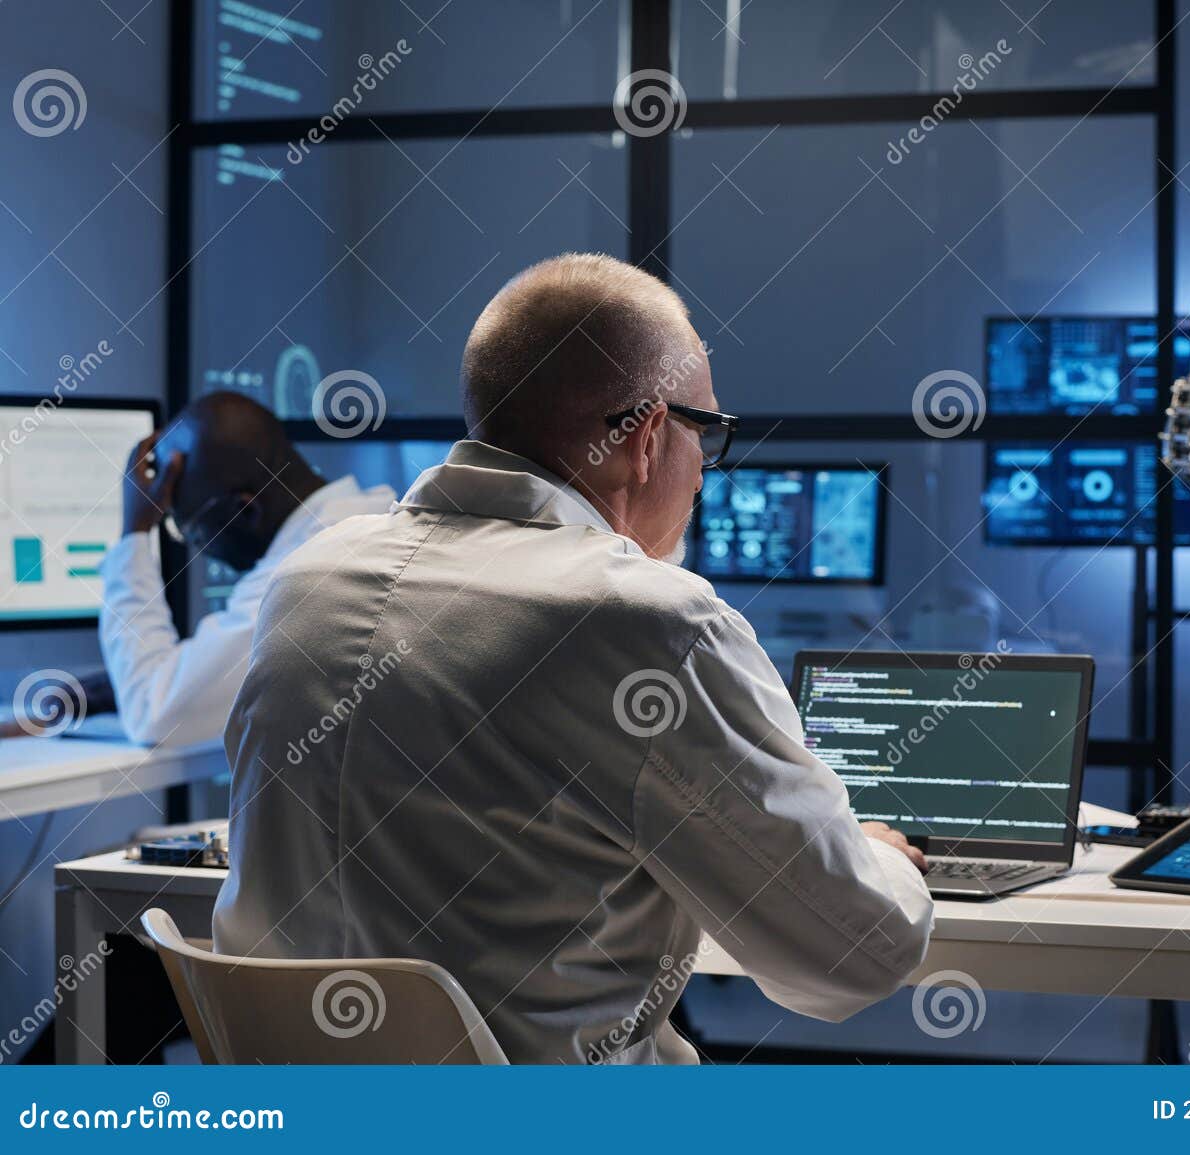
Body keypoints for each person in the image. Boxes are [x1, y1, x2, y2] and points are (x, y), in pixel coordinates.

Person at [213, 253, 934, 1064]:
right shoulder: (653, 621)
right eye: (706, 434)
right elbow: (855, 952)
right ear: (648, 437)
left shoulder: (309, 577)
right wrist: (877, 856)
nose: (705, 470)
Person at [99, 391, 395, 746]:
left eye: (187, 529)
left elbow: (154, 714)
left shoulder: (301, 578)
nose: (196, 548)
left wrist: (134, 533)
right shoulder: (375, 517)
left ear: (245, 511)